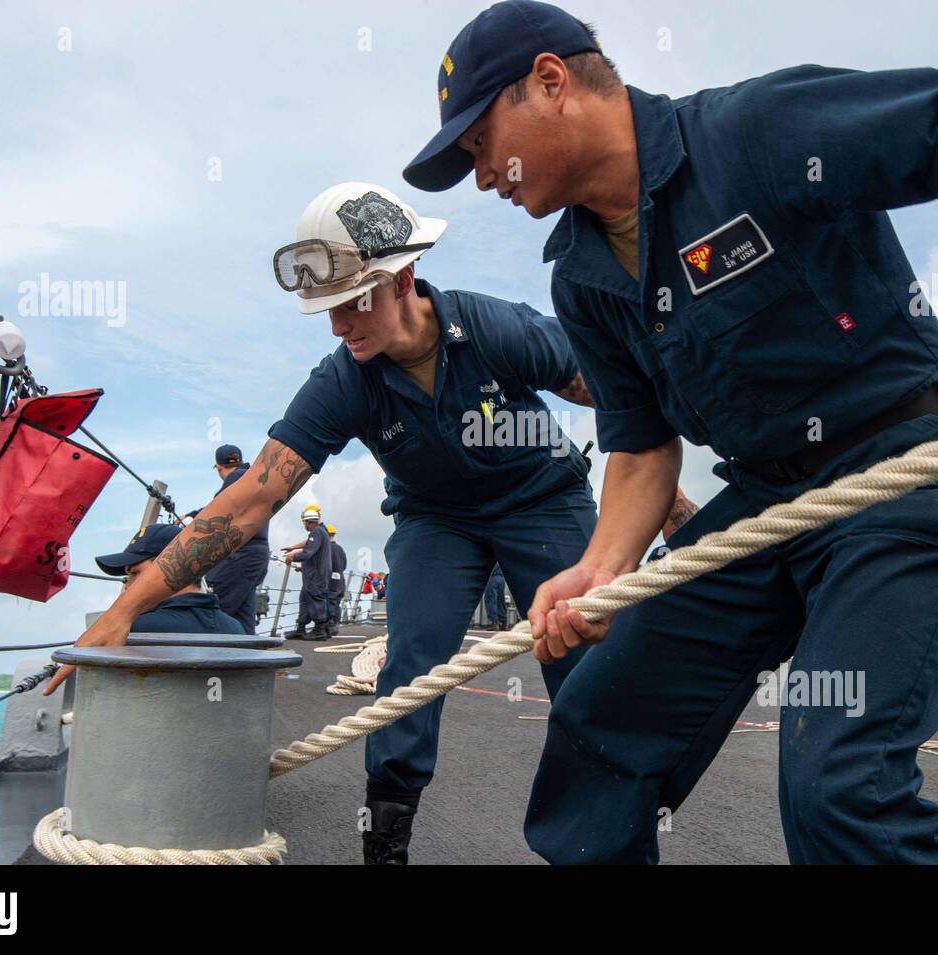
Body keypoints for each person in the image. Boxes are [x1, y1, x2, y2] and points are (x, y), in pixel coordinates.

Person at [405, 1, 938, 864]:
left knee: (838, 782)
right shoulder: (581, 279)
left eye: (479, 145)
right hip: (766, 499)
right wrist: (601, 569)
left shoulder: (755, 130)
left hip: (910, 473)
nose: (481, 178)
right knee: (595, 725)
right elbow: (644, 441)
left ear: (550, 83)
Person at [48, 180, 602, 866]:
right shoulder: (345, 380)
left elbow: (613, 389)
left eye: (353, 302)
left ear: (403, 276)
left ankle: (600, 840)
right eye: (328, 310)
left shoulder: (494, 328)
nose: (339, 326)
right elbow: (251, 500)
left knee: (589, 666)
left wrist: (665, 509)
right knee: (408, 670)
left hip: (543, 499)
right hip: (437, 521)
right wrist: (128, 606)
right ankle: (384, 849)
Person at [94, 523, 244, 635]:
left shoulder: (134, 630)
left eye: (135, 573)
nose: (127, 586)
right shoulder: (235, 630)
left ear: (171, 567)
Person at [202, 444, 271, 633]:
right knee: (242, 615)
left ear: (218, 467)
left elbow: (219, 512)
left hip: (239, 554)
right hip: (256, 555)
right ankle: (246, 657)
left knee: (212, 610)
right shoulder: (251, 477)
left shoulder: (236, 477)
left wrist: (192, 518)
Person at [281, 505, 333, 640]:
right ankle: (301, 628)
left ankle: (319, 629)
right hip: (313, 575)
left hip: (316, 575)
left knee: (317, 599)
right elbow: (309, 545)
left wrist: (293, 556)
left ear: (309, 522)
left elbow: (308, 552)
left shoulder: (316, 532)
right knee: (304, 599)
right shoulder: (321, 531)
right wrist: (293, 548)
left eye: (305, 522)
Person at [326, 523, 347, 633]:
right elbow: (344, 566)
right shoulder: (340, 549)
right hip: (340, 581)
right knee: (336, 603)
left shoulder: (327, 549)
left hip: (331, 581)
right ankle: (335, 624)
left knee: (330, 602)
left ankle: (330, 625)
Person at [482, 563, 507, 630]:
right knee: (500, 600)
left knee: (491, 599)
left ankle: (495, 623)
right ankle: (503, 622)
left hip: (492, 576)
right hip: (501, 577)